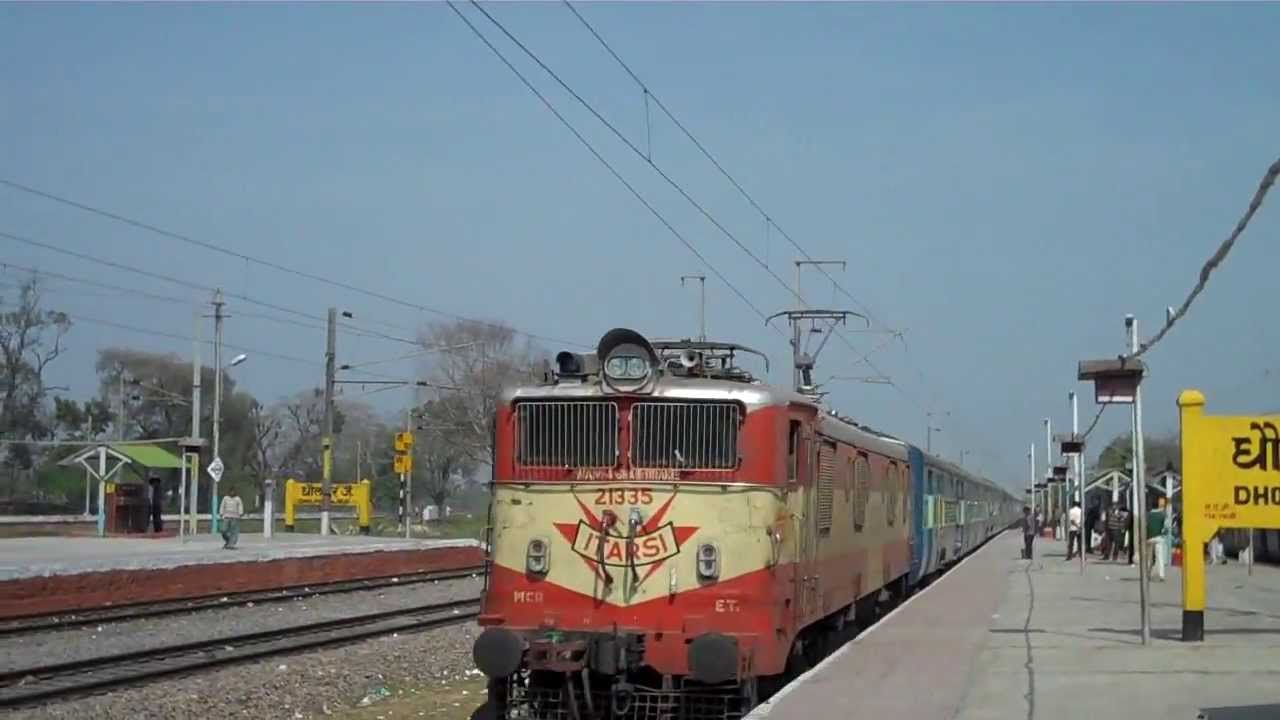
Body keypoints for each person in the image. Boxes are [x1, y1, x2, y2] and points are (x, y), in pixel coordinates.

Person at [1147, 497, 1167, 581]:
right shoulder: (1163, 514)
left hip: (1149, 538)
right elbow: (1166, 528)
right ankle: (1161, 575)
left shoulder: (1149, 514)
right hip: (1159, 537)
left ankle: (1147, 574)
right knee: (1160, 557)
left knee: (1149, 558)